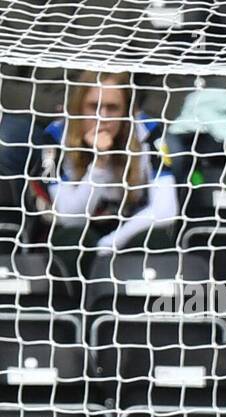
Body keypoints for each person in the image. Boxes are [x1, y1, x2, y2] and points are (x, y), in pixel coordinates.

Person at [32, 71, 178, 278]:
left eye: (112, 108)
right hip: (82, 229)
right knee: (72, 241)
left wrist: (111, 242)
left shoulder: (149, 131)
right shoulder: (55, 136)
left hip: (130, 226)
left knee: (156, 241)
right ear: (79, 107)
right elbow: (70, 217)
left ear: (126, 112)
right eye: (94, 106)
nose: (103, 117)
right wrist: (100, 163)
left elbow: (166, 209)